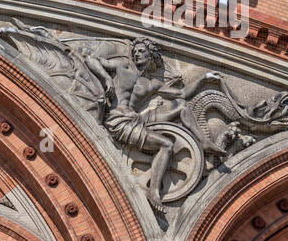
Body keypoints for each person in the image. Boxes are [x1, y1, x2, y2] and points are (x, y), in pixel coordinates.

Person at [86, 37, 220, 213]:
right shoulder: (122, 67)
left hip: (137, 118)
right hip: (118, 120)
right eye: (135, 51)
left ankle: (202, 141)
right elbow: (90, 59)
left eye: (142, 51)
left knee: (181, 106)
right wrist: (106, 79)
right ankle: (154, 192)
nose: (137, 54)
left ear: (151, 56)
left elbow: (181, 92)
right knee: (166, 144)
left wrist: (204, 78)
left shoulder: (153, 83)